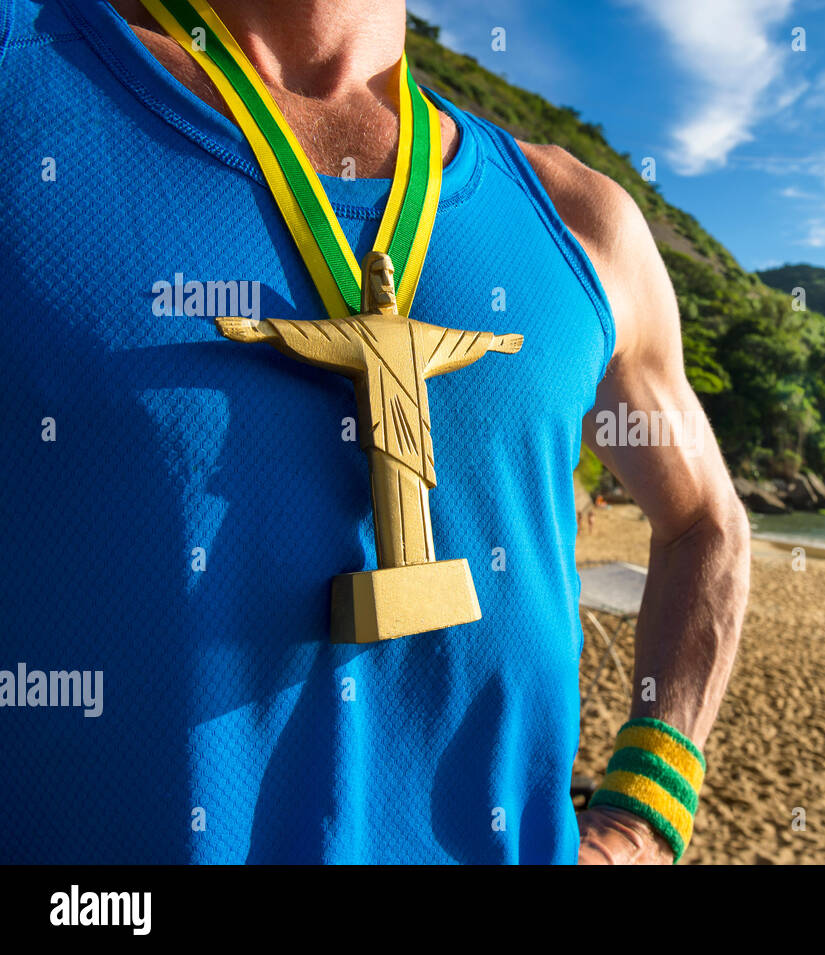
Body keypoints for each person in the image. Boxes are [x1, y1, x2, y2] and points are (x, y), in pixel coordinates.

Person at [0, 0, 749, 865]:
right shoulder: (26, 75)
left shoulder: (582, 221)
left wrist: (645, 818)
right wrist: (249, 331)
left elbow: (706, 524)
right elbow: (300, 333)